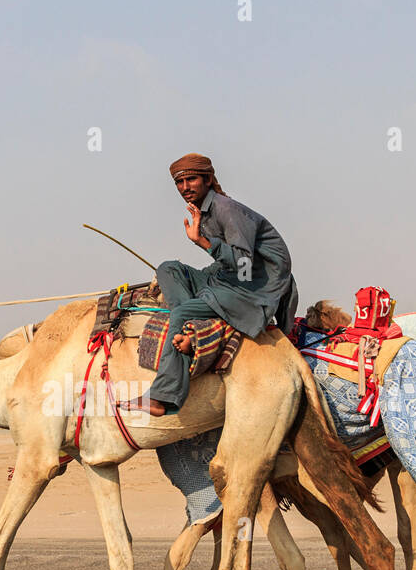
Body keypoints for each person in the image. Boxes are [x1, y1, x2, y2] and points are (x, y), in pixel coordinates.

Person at [121, 154, 298, 416]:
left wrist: (202, 242)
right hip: (228, 279)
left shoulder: (226, 209)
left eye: (191, 179)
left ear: (208, 179)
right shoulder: (203, 212)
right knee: (169, 269)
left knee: (180, 312)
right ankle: (190, 328)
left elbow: (245, 266)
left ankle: (162, 396)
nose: (184, 188)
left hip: (253, 290)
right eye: (179, 183)